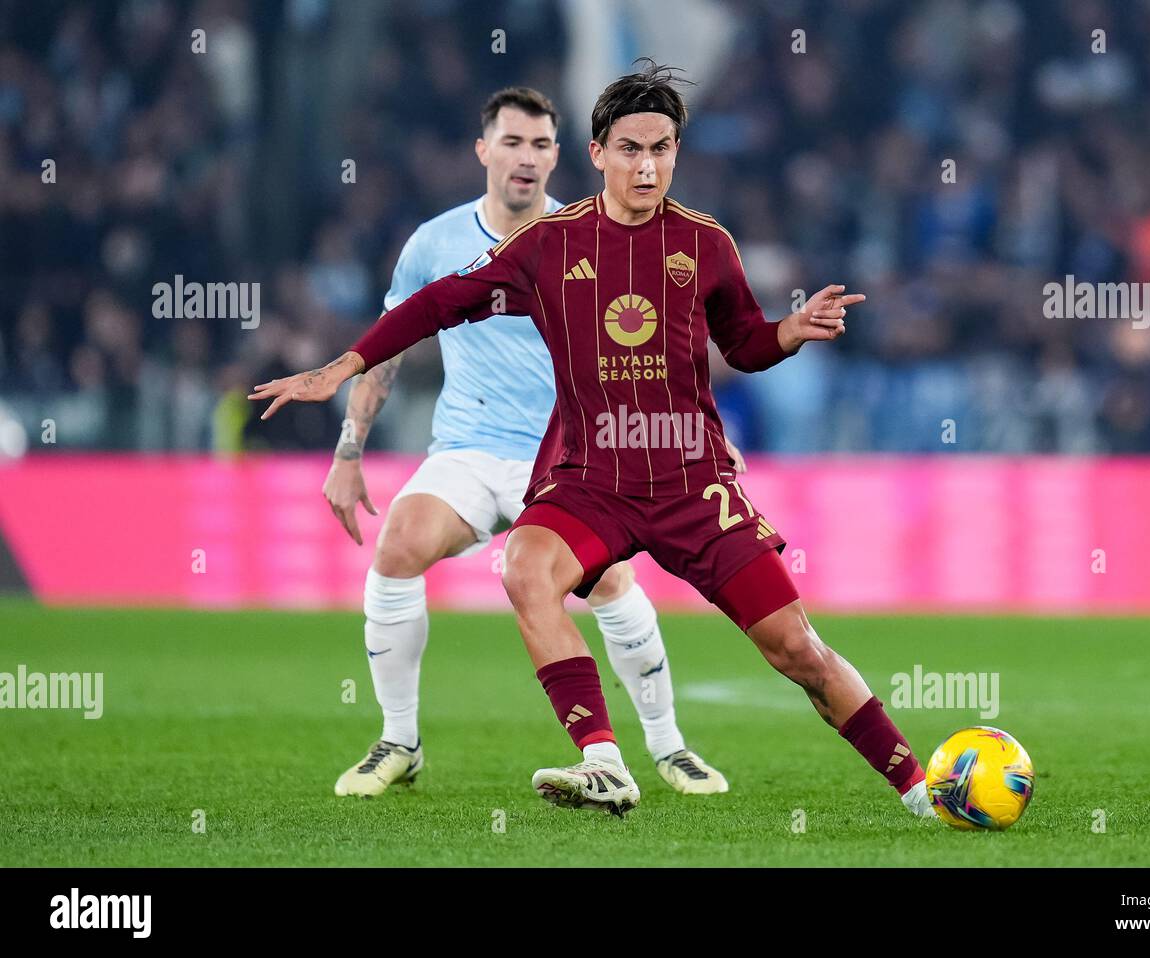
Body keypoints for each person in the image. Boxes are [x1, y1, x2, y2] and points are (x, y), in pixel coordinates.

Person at [251, 60, 936, 821]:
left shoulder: (707, 243)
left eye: (664, 149)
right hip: (591, 481)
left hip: (690, 482)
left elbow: (742, 343)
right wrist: (345, 365)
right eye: (633, 148)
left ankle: (921, 793)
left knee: (797, 651)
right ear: (599, 151)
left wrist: (789, 333)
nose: (649, 166)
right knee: (525, 568)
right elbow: (441, 302)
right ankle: (603, 761)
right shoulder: (551, 243)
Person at [327, 86, 727, 798]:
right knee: (396, 547)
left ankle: (670, 748)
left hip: (569, 454)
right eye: (512, 142)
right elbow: (387, 352)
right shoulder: (434, 243)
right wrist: (348, 451)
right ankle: (398, 741)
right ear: (484, 151)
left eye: (542, 145)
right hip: (470, 448)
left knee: (611, 583)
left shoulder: (587, 236)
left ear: (558, 157)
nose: (527, 158)